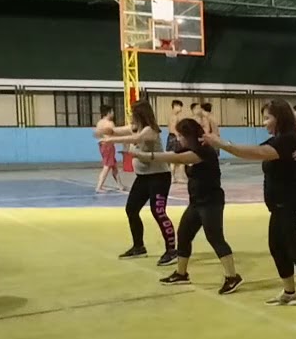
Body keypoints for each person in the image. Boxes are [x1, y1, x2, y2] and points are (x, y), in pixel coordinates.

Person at [205, 100, 296, 326]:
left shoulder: (288, 140)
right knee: (277, 248)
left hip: (293, 206)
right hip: (279, 208)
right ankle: (290, 292)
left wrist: (221, 143)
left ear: (279, 118)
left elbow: (256, 152)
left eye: (267, 118)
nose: (264, 123)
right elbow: (256, 151)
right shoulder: (277, 139)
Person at [138, 117, 242, 294]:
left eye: (180, 135)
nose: (178, 139)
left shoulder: (203, 151)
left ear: (188, 135)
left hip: (211, 202)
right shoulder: (189, 148)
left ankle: (232, 277)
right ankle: (181, 273)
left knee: (215, 238)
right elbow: (177, 155)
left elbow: (177, 158)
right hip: (196, 202)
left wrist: (148, 156)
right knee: (184, 234)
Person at [101, 101, 177, 266]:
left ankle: (172, 250)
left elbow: (136, 138)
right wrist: (107, 129)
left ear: (140, 114)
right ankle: (138, 247)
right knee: (131, 209)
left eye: (133, 114)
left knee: (158, 212)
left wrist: (112, 139)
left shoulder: (150, 130)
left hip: (159, 177)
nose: (130, 117)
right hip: (143, 177)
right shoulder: (136, 127)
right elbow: (120, 130)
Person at [94, 105, 127, 193]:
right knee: (107, 166)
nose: (113, 114)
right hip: (108, 146)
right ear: (108, 113)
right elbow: (114, 134)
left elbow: (98, 134)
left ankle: (120, 185)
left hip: (102, 146)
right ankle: (99, 186)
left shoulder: (99, 123)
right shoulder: (110, 123)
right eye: (112, 112)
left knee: (114, 166)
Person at [168, 99, 187, 183]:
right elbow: (173, 128)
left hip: (171, 137)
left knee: (173, 159)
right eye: (179, 107)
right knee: (180, 158)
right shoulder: (174, 117)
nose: (180, 109)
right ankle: (180, 177)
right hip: (175, 138)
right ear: (175, 106)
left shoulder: (171, 116)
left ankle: (173, 177)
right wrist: (178, 136)